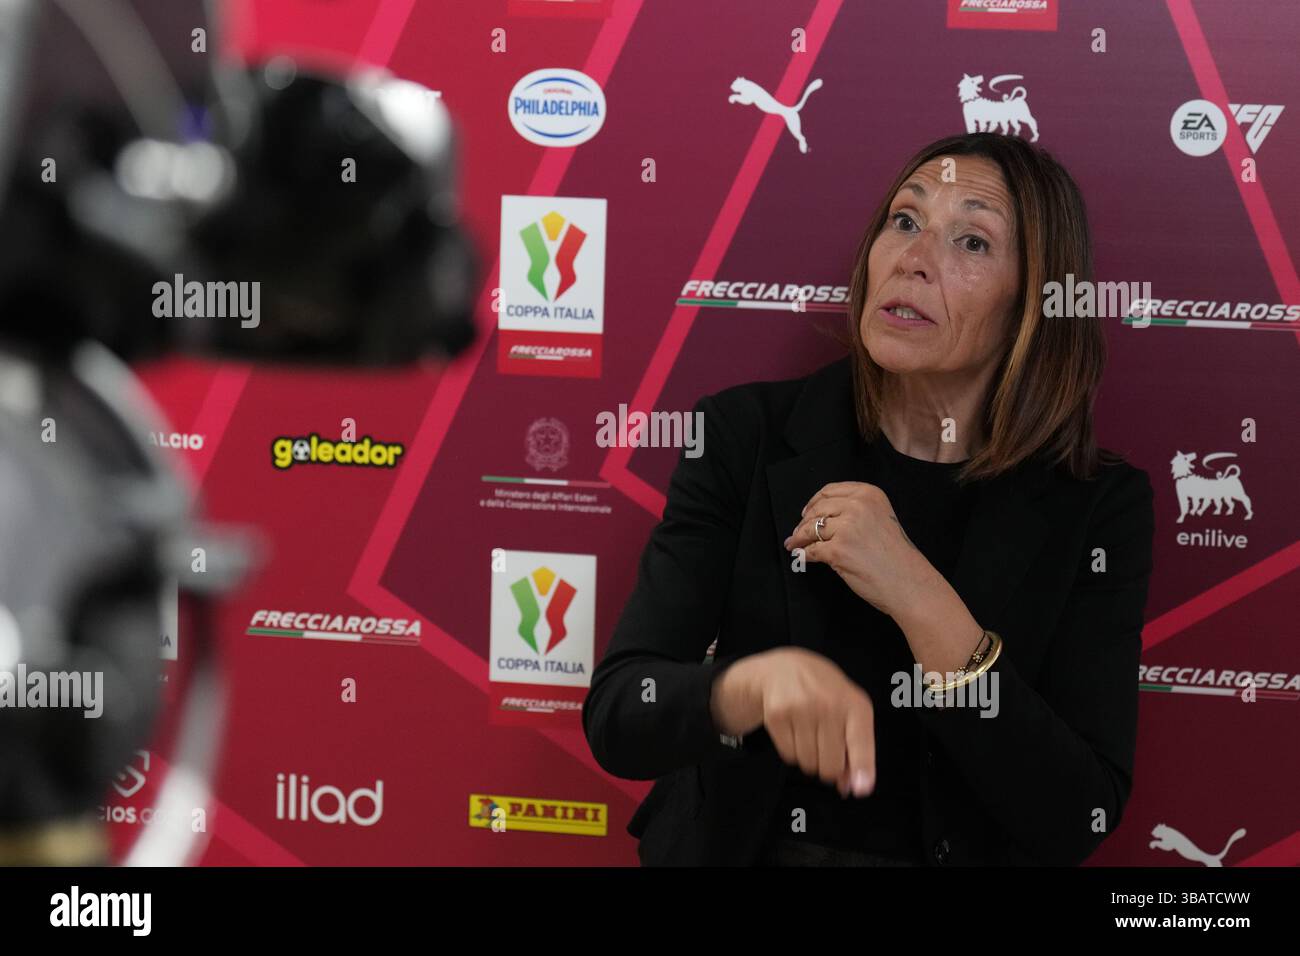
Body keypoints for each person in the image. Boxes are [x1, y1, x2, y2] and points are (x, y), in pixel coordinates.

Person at [582, 132, 1156, 866]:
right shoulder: (742, 436)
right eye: (905, 220)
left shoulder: (1096, 504)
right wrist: (745, 688)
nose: (914, 259)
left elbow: (1079, 814)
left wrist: (919, 596)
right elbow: (620, 716)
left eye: (972, 242)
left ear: (1036, 302)